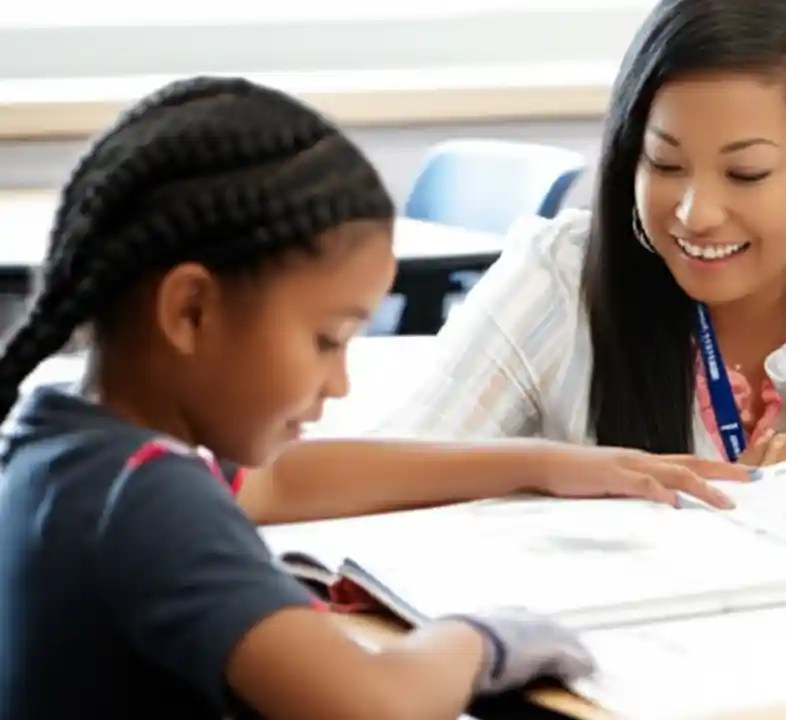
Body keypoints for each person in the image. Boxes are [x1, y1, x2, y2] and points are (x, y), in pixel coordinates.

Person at [252, 0, 786, 520]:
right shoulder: (561, 273)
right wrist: (555, 468)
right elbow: (345, 477)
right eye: (664, 163)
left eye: (745, 172)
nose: (695, 211)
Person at [0, 76, 609, 719]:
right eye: (327, 339)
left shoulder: (67, 440)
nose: (340, 381)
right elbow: (377, 709)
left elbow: (279, 483)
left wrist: (537, 461)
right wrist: (480, 640)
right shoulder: (148, 496)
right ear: (191, 311)